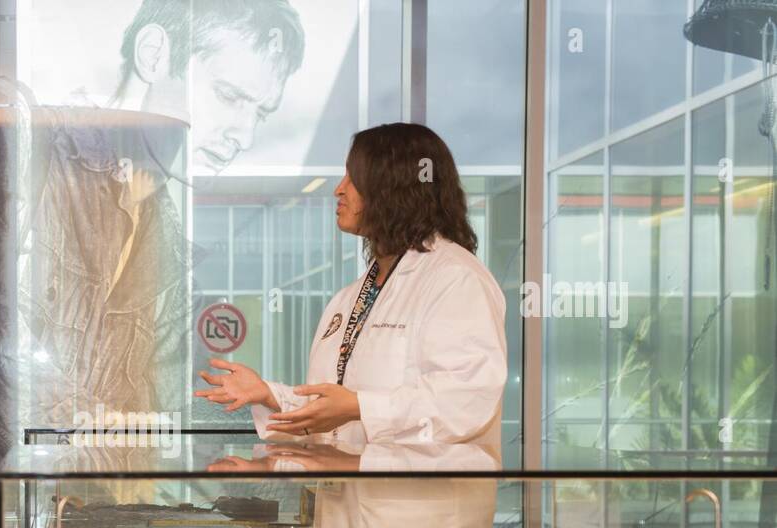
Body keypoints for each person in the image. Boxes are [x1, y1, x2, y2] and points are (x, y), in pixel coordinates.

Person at [195, 123, 508, 464]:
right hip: (347, 501)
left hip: (419, 510)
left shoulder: (456, 280)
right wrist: (271, 396)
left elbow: (466, 403)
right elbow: (337, 414)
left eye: (352, 178)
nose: (339, 190)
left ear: (393, 188)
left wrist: (359, 406)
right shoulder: (351, 297)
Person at [110, 0, 306, 176]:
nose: (246, 140)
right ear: (153, 55)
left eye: (260, 114)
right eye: (228, 96)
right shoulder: (85, 186)